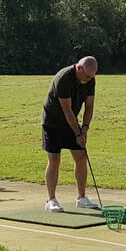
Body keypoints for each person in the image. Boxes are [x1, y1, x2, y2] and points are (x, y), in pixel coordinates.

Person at [41, 55, 98, 212]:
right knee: (55, 160)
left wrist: (85, 128)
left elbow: (90, 106)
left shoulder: (90, 79)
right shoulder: (64, 78)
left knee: (81, 157)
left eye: (92, 76)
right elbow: (67, 110)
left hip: (72, 122)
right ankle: (51, 200)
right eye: (86, 76)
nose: (89, 79)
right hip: (52, 122)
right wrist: (77, 133)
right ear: (78, 68)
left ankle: (82, 198)